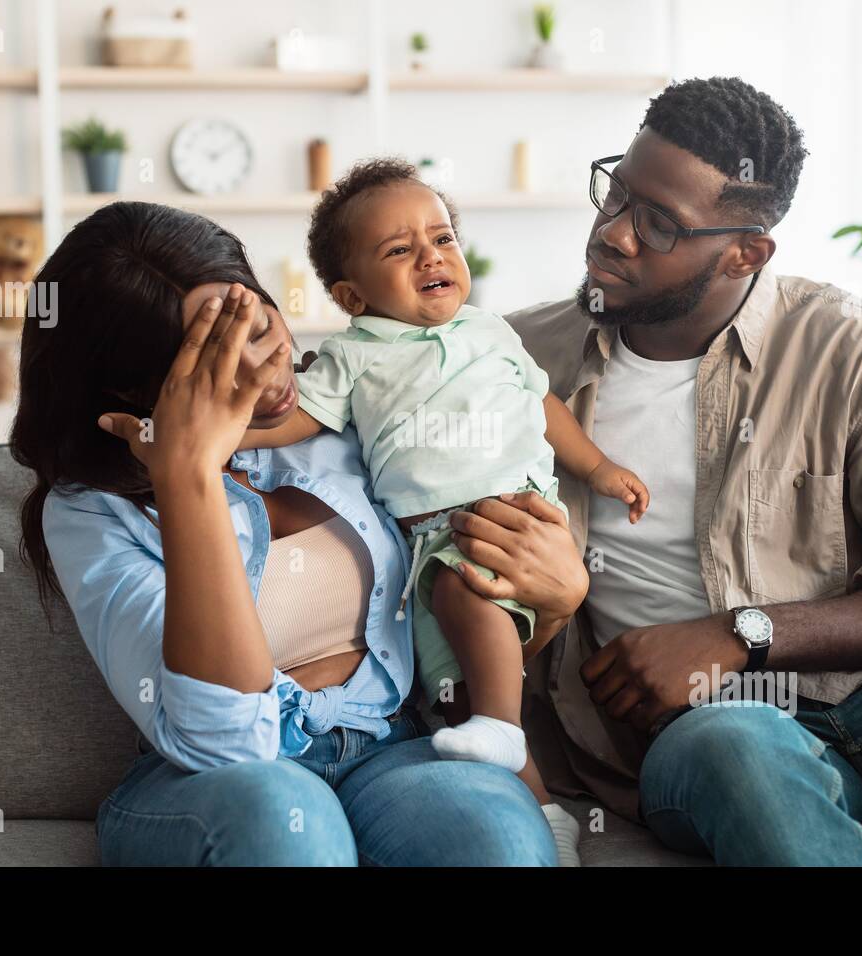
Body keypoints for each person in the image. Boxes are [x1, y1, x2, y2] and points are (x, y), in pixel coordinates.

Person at [507, 75, 862, 865]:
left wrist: (737, 635)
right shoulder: (512, 363)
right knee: (737, 738)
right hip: (706, 744)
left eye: (656, 223)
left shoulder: (860, 354)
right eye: (615, 196)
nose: (613, 233)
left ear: (747, 252)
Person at [10, 201, 590, 866]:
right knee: (290, 827)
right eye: (217, 359)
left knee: (497, 836)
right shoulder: (89, 511)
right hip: (220, 785)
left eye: (260, 322)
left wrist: (555, 601)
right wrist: (189, 475)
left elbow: (457, 620)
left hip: (393, 751)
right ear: (138, 392)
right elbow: (223, 744)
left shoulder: (351, 420)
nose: (271, 364)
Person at [236, 159, 649, 866]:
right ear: (351, 294)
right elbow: (299, 418)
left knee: (469, 608)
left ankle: (502, 728)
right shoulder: (353, 356)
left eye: (443, 237)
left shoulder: (489, 332)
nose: (432, 256)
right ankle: (542, 807)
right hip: (427, 541)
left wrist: (599, 468)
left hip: (509, 513)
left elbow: (541, 405)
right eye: (399, 250)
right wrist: (222, 439)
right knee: (447, 703)